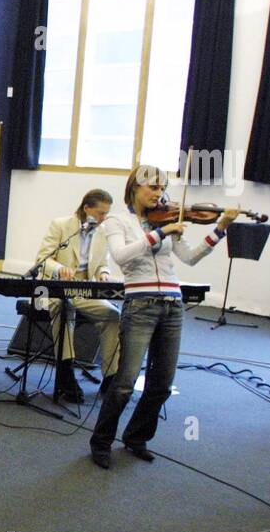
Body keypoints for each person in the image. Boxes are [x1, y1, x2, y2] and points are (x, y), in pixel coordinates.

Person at [88, 164, 238, 469]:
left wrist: (220, 229)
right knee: (125, 382)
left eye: (161, 188)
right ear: (135, 188)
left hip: (172, 304)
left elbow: (191, 257)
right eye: (152, 187)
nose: (158, 194)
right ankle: (101, 441)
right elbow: (120, 256)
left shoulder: (170, 217)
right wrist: (160, 233)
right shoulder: (118, 221)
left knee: (162, 384)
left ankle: (136, 437)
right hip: (140, 304)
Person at [33, 188, 121, 402]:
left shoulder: (102, 232)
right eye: (100, 213)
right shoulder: (61, 225)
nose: (104, 218)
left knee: (113, 316)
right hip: (54, 288)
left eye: (106, 214)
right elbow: (42, 259)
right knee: (64, 308)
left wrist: (104, 273)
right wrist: (59, 269)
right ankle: (65, 372)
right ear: (86, 208)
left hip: (84, 289)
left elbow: (102, 263)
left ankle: (111, 376)